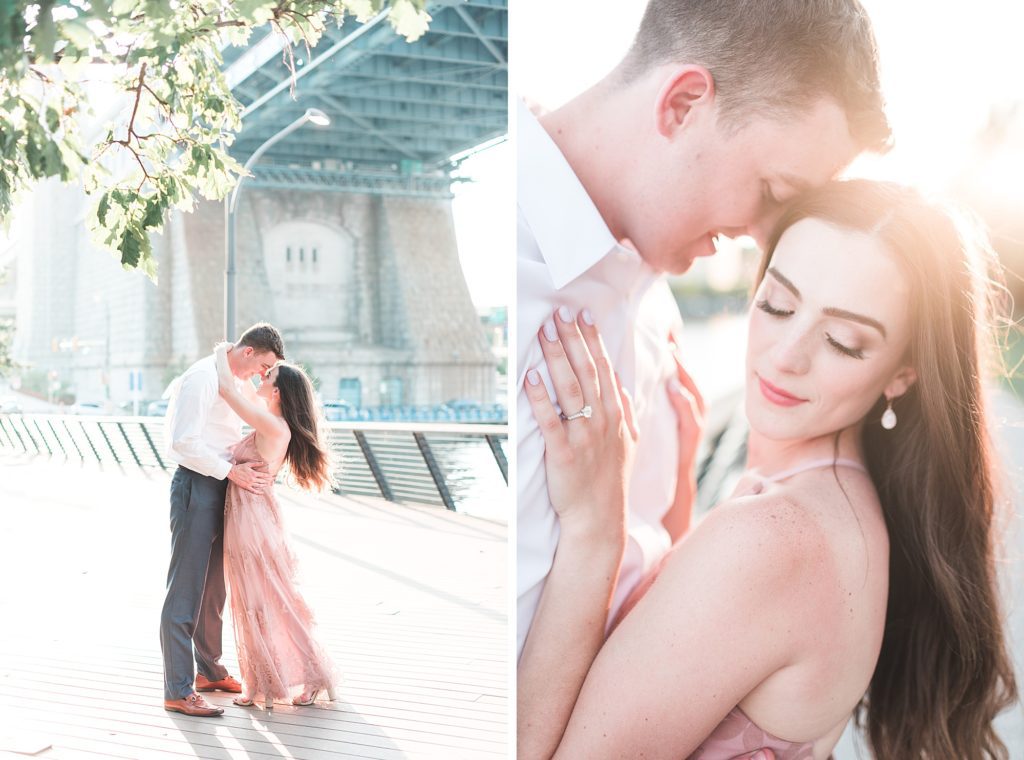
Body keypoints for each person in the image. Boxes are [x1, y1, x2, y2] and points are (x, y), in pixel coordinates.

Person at [520, 180, 1018, 758]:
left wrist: (593, 531)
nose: (786, 355)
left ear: (902, 374)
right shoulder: (840, 510)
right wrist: (682, 497)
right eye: (777, 305)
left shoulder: (772, 539)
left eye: (843, 341)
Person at [517, 0, 891, 676]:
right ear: (683, 103)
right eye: (773, 189)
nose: (764, 237)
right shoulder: (516, 285)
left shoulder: (653, 296)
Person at [160, 323, 285, 717]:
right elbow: (183, 442)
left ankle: (209, 671)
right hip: (197, 486)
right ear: (248, 352)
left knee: (214, 588)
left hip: (221, 487)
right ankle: (177, 690)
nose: (260, 375)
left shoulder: (235, 379)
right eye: (262, 365)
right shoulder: (201, 378)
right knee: (186, 588)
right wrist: (231, 472)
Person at [212, 343, 338, 709]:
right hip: (249, 515)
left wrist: (222, 352)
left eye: (268, 376)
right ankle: (258, 682)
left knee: (264, 601)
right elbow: (245, 389)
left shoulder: (271, 423)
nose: (262, 376)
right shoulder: (272, 419)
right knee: (253, 600)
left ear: (278, 391)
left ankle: (304, 676)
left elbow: (226, 388)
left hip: (251, 518)